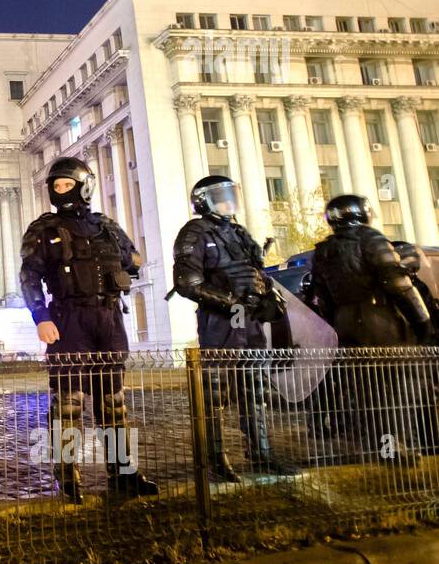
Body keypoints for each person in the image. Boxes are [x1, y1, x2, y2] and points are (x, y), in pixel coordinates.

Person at [19, 156, 158, 504]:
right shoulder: (43, 229)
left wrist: (122, 267)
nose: (61, 191)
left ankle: (124, 472)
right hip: (68, 320)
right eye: (56, 186)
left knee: (113, 402)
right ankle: (67, 475)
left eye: (67, 185)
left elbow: (134, 260)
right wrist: (40, 317)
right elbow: (29, 277)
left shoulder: (107, 227)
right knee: (68, 404)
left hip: (108, 318)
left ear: (85, 186)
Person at [171, 175, 297, 480]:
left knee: (254, 388)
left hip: (250, 319)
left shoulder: (238, 232)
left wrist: (267, 294)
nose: (228, 200)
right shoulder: (194, 232)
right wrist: (230, 301)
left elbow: (256, 271)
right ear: (204, 200)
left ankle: (261, 454)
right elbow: (187, 283)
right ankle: (215, 460)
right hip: (221, 320)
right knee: (215, 392)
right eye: (220, 195)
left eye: (229, 194)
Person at [309, 195, 430, 466]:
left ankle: (383, 449)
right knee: (403, 386)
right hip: (382, 324)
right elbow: (400, 285)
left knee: (368, 393)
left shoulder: (324, 251)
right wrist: (422, 322)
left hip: (346, 325)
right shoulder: (371, 239)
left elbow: (321, 298)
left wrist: (337, 325)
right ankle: (401, 448)